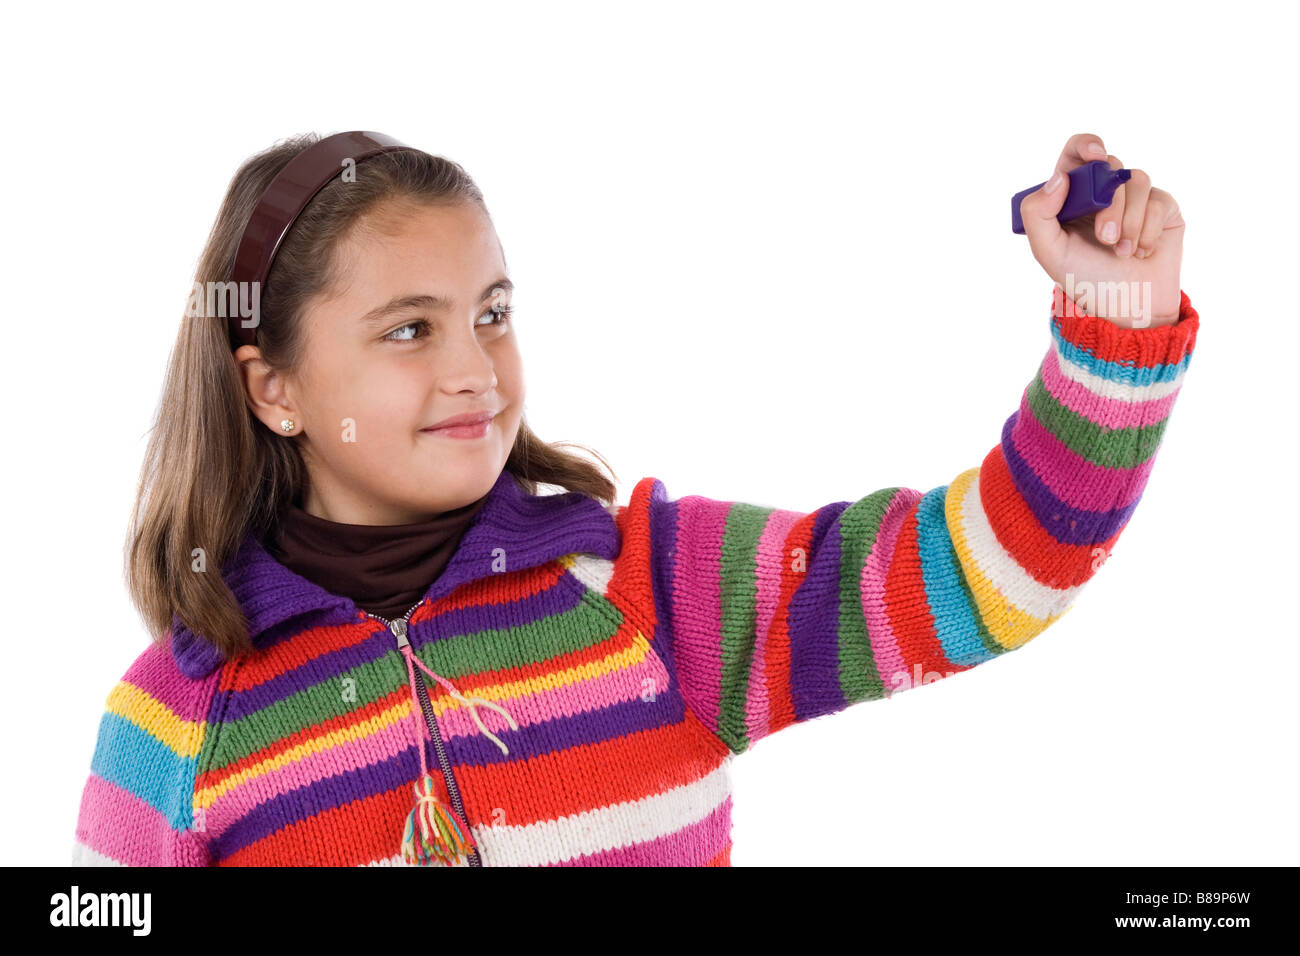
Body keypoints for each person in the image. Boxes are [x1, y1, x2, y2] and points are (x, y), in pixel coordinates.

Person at [71, 130, 1200, 866]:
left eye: (492, 312)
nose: (474, 367)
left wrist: (1117, 334)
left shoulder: (649, 587)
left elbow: (984, 570)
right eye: (409, 328)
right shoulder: (174, 723)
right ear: (273, 388)